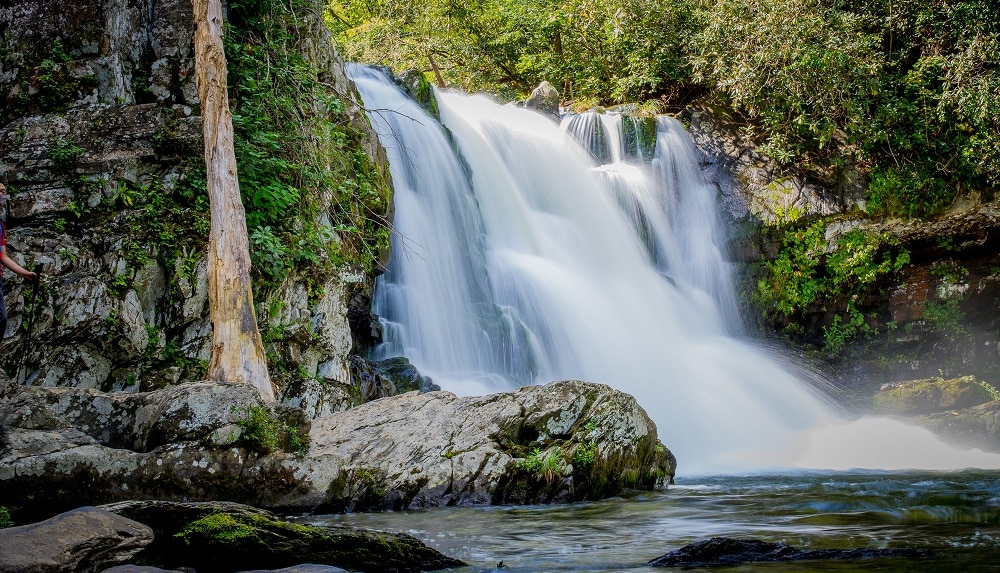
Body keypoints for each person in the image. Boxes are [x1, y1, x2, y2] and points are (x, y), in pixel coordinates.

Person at [0, 182, 39, 338]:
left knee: (1, 319)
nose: (2, 195)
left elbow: (2, 256)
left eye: (4, 192)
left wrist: (24, 273)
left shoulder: (0, 226)